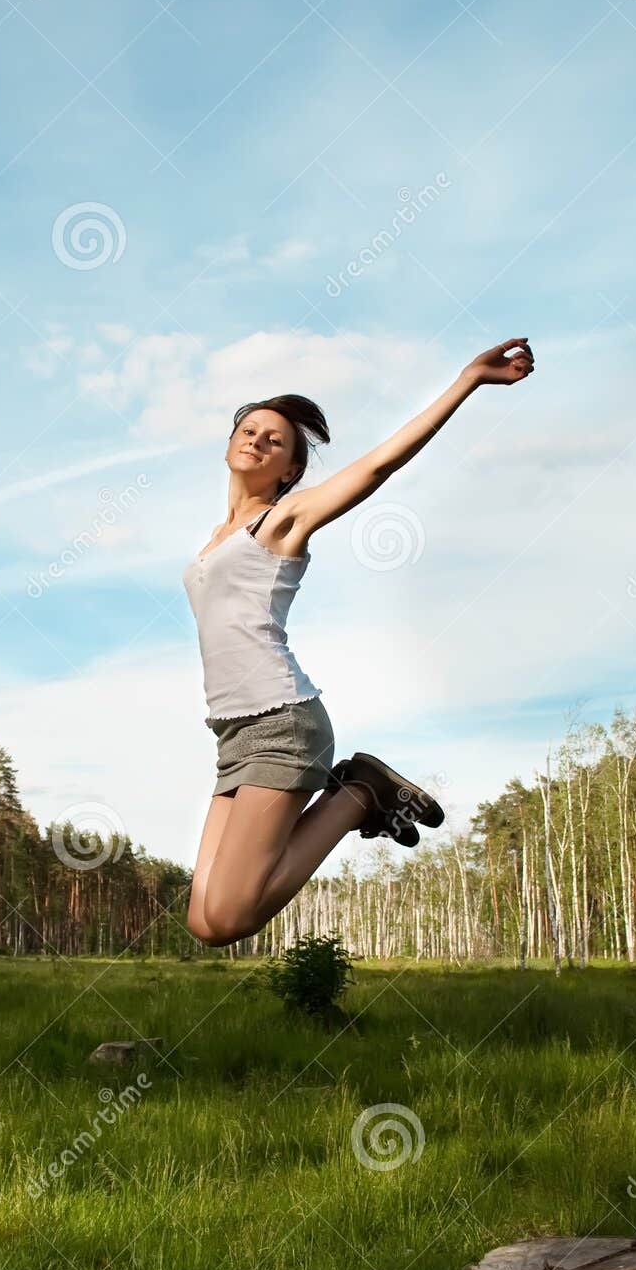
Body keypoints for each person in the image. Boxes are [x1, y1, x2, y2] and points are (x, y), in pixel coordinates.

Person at [183, 338, 534, 946]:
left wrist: (467, 381)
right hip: (232, 734)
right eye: (250, 428)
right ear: (228, 444)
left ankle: (359, 792)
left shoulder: (283, 521)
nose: (258, 439)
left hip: (280, 722)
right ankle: (359, 788)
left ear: (290, 470)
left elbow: (377, 467)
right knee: (205, 922)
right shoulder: (214, 537)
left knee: (234, 919)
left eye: (275, 440)